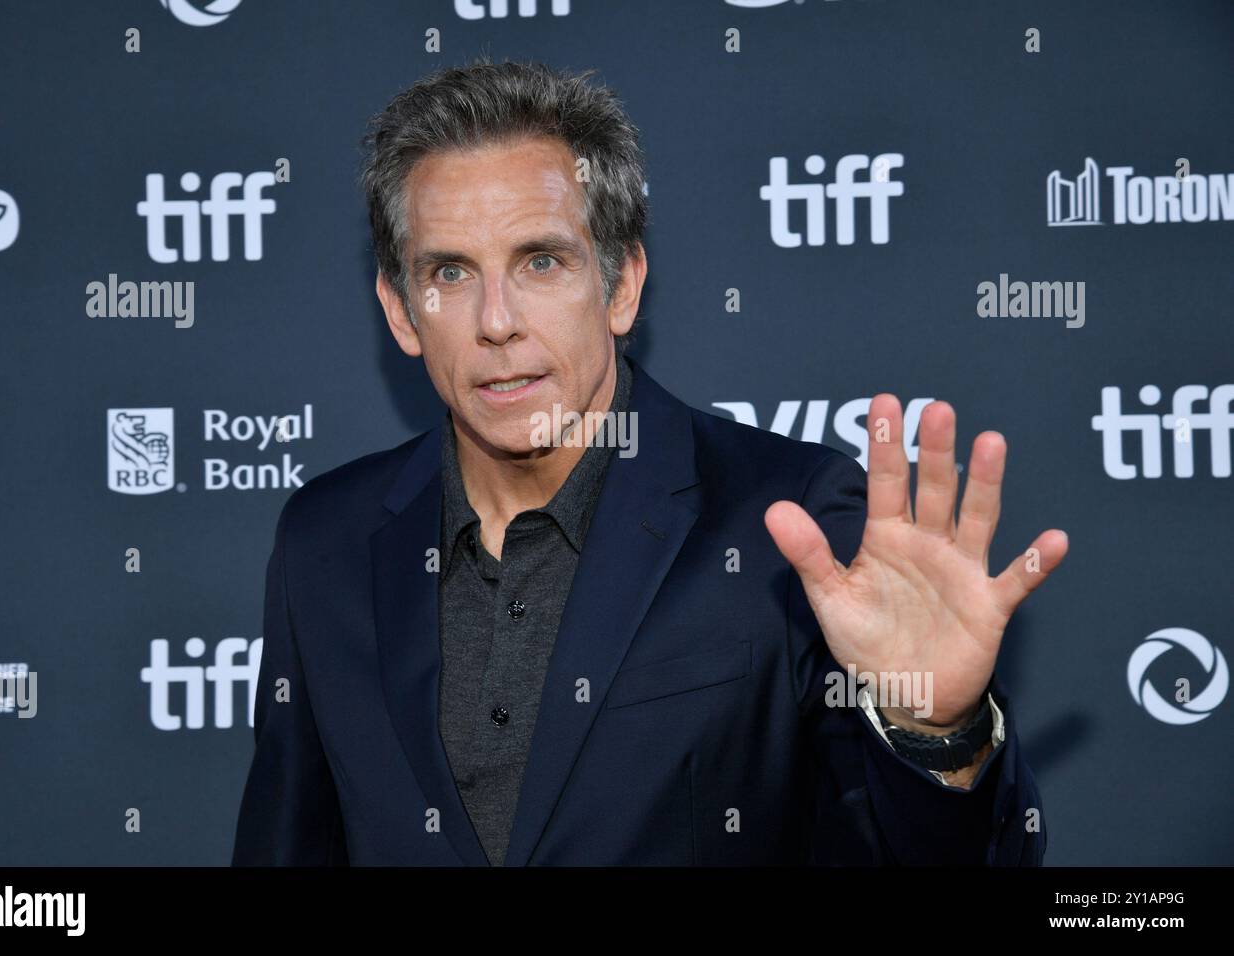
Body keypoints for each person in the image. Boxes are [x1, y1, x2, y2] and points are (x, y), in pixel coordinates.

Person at [232, 58, 1067, 866]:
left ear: (622, 285)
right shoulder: (325, 541)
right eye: (450, 271)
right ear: (403, 311)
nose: (496, 322)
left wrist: (933, 729)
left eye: (542, 262)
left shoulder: (787, 520)